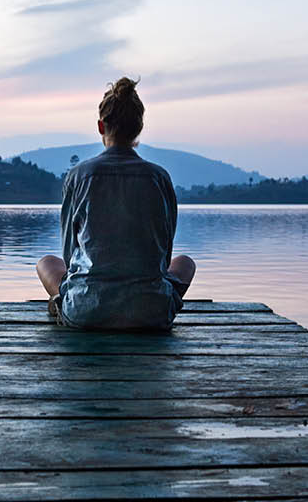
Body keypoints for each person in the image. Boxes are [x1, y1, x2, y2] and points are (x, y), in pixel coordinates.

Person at [36, 77, 196, 330]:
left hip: (86, 312)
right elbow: (164, 256)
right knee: (185, 263)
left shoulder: (79, 176)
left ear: (101, 126)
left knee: (46, 263)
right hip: (151, 314)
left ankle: (62, 303)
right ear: (139, 128)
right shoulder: (159, 177)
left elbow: (68, 253)